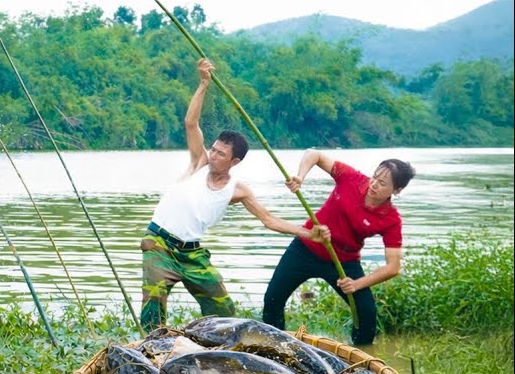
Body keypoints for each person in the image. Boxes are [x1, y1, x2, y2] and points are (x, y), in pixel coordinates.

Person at [139, 58, 330, 332]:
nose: (214, 155)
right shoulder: (198, 162)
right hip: (159, 243)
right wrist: (204, 83)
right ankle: (152, 350)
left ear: (235, 161)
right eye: (214, 149)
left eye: (220, 154)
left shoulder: (237, 189)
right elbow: (190, 122)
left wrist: (308, 233)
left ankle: (205, 344)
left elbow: (269, 220)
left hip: (192, 255)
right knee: (154, 305)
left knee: (224, 310)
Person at [262, 150, 414, 345]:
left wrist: (357, 283)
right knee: (273, 298)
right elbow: (314, 154)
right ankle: (276, 346)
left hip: (343, 261)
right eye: (374, 177)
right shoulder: (352, 178)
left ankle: (361, 359)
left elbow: (393, 267)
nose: (373, 184)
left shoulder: (391, 220)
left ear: (397, 190)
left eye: (382, 183)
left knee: (366, 313)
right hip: (305, 248)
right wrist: (300, 177)